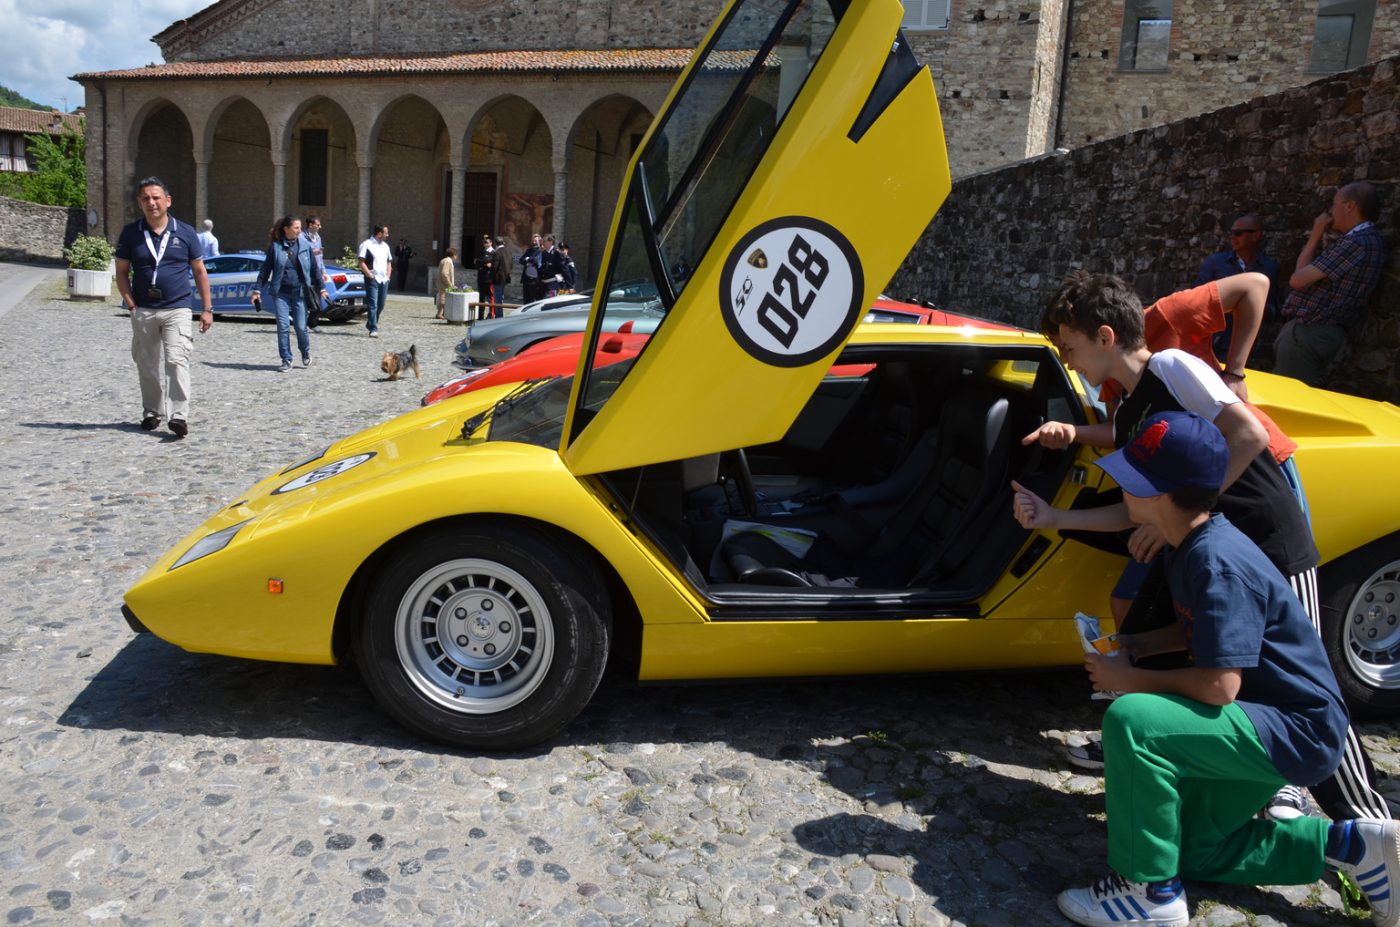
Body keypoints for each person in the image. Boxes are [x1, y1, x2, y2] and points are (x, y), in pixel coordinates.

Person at [1017, 271, 1389, 824]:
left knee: (1301, 684)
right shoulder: (1129, 408)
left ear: (1104, 336)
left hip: (1265, 539)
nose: (1070, 363)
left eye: (1070, 349)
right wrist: (1054, 517)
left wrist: (1192, 508)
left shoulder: (1170, 367)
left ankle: (1370, 824)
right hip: (1206, 543)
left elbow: (1250, 435)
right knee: (1169, 643)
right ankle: (1189, 769)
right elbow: (1134, 501)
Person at [1053, 409, 1398, 927]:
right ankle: (1356, 845)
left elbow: (1219, 685)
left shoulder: (1215, 560)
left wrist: (1131, 681)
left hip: (1294, 728)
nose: (1121, 485)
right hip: (1274, 721)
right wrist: (1137, 644)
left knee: (1134, 723)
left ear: (1159, 495)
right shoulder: (1191, 542)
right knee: (1190, 848)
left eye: (1132, 479)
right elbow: (1206, 633)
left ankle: (1149, 895)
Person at [114, 176, 214, 439]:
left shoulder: (186, 233)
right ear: (140, 202)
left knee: (176, 359)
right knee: (146, 363)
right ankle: (152, 412)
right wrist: (130, 302)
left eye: (156, 197)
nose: (152, 203)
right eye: (146, 198)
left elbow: (200, 272)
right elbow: (122, 271)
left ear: (167, 201)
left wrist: (207, 308)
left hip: (177, 308)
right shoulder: (131, 233)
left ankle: (178, 415)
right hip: (144, 308)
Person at [1275, 181, 1387, 386]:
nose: (1330, 211)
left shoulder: (1355, 243)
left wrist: (1315, 235)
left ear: (1349, 206)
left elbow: (1297, 280)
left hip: (1309, 332)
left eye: (1334, 205)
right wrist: (1316, 235)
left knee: (1290, 398)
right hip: (1323, 332)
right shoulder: (1370, 241)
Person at [1193, 212, 1281, 359]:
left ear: (1256, 235)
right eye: (1231, 232)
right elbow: (1197, 297)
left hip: (1249, 347)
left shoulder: (1269, 268)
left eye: (1238, 233)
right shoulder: (1215, 263)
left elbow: (1272, 307)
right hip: (1214, 342)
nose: (1232, 237)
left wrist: (1248, 307)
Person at [251, 216, 328, 372]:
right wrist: (257, 290)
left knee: (301, 327)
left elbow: (314, 269)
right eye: (297, 228)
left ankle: (305, 351)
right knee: (283, 327)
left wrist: (322, 288)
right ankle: (286, 359)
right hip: (281, 294)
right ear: (286, 229)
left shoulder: (305, 246)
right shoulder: (276, 247)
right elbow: (265, 270)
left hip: (300, 293)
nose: (300, 230)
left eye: (300, 228)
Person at [358, 224, 393, 338]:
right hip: (372, 278)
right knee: (373, 304)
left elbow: (389, 262)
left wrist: (388, 275)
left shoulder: (386, 246)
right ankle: (373, 328)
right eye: (386, 233)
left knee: (381, 304)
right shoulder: (366, 245)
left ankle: (370, 322)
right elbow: (361, 261)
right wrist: (369, 274)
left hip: (383, 280)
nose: (387, 235)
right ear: (379, 234)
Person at [302, 214, 326, 330]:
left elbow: (320, 257)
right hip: (306, 272)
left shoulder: (318, 237)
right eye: (318, 224)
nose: (320, 227)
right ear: (310, 225)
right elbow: (300, 253)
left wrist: (323, 271)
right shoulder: (302, 237)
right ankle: (303, 323)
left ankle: (312, 322)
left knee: (318, 302)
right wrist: (312, 252)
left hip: (317, 272)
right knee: (307, 300)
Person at [518, 232, 544, 303]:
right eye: (533, 240)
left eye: (535, 240)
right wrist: (528, 260)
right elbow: (521, 260)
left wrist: (528, 259)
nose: (534, 241)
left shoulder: (540, 251)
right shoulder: (529, 250)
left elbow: (536, 261)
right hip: (526, 278)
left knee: (533, 300)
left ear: (539, 241)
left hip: (534, 279)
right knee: (526, 299)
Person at [490, 236, 511, 318]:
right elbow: (511, 265)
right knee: (500, 297)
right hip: (505, 278)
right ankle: (499, 315)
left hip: (498, 279)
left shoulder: (497, 252)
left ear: (495, 243)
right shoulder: (508, 251)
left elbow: (494, 267)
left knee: (497, 299)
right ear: (503, 243)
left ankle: (499, 317)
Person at [540, 234, 565, 298]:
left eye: (544, 241)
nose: (543, 243)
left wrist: (569, 285)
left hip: (553, 284)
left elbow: (564, 269)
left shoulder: (557, 253)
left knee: (549, 301)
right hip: (543, 284)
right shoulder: (544, 253)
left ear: (550, 241)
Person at [435, 247, 457, 320]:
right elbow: (444, 273)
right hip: (444, 284)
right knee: (442, 299)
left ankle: (442, 313)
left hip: (442, 283)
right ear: (453, 255)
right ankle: (439, 314)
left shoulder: (445, 260)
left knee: (443, 298)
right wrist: (449, 284)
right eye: (456, 255)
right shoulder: (448, 261)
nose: (456, 257)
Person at [474, 234, 496, 308]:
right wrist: (485, 263)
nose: (484, 244)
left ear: (490, 243)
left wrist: (482, 263)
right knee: (481, 298)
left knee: (490, 297)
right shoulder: (482, 251)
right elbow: (475, 261)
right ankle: (480, 317)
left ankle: (491, 315)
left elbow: (492, 264)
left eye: (486, 242)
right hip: (481, 277)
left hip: (489, 278)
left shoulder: (494, 253)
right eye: (484, 242)